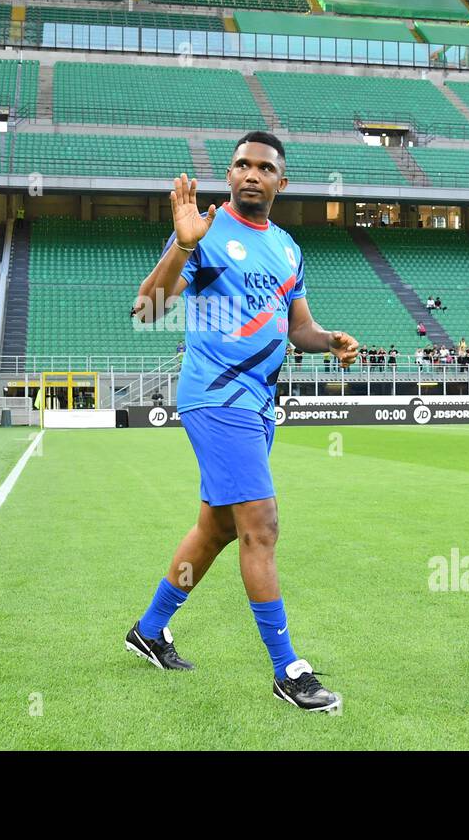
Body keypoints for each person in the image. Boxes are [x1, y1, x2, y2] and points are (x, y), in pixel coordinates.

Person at [125, 132, 358, 713]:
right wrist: (181, 247)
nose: (251, 174)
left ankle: (150, 630)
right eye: (240, 165)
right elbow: (146, 307)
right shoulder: (204, 233)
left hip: (258, 404)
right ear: (229, 175)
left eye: (264, 167)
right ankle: (288, 670)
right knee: (262, 524)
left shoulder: (287, 248)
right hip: (216, 397)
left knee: (218, 530)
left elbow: (297, 326)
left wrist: (328, 341)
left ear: (282, 180)